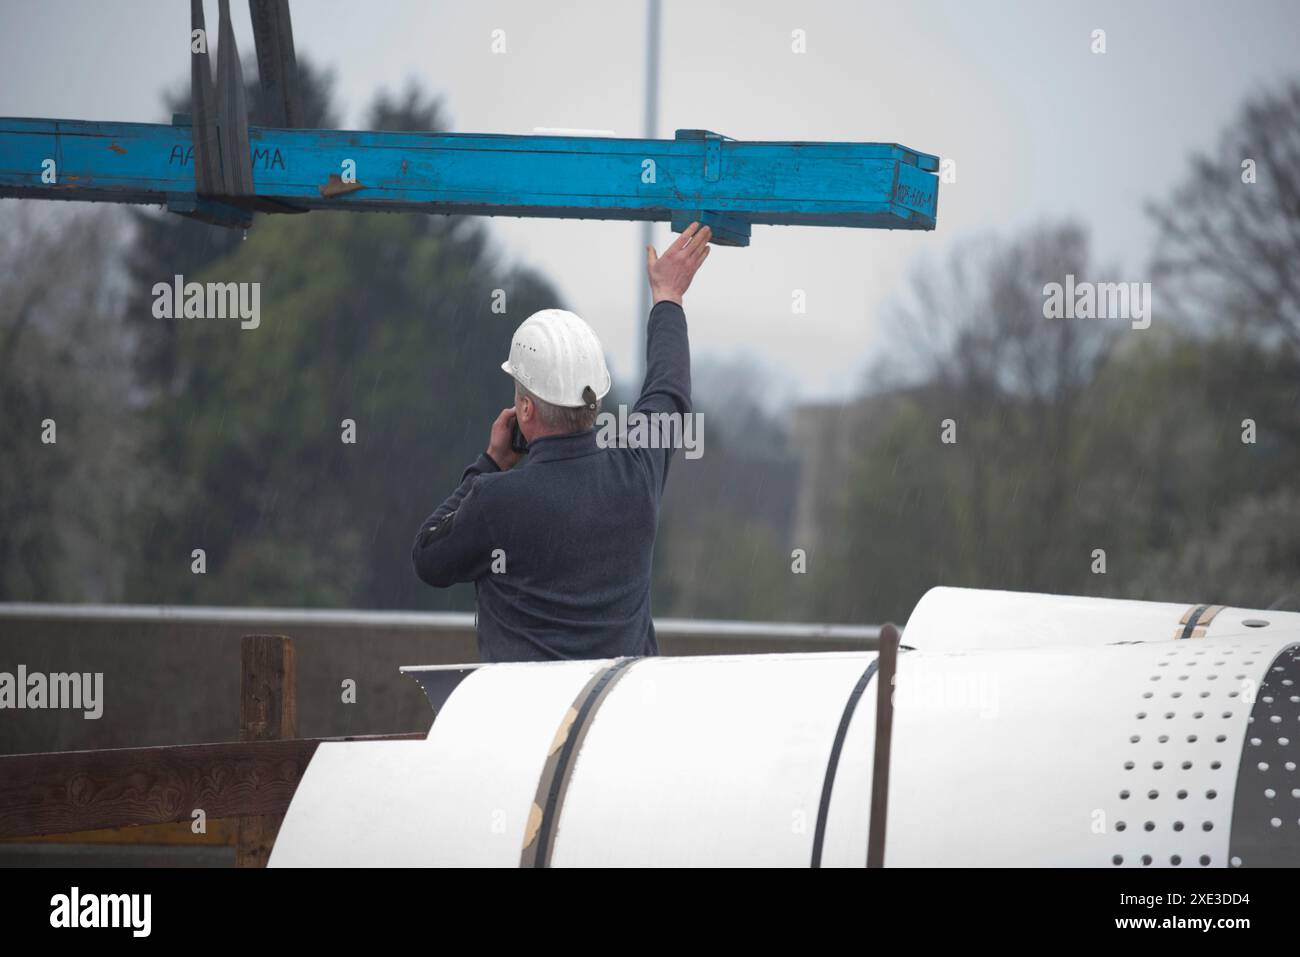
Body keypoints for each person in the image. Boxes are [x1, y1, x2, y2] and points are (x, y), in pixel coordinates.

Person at [412, 223, 713, 661]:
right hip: (615, 717)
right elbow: (669, 393)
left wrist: (489, 462)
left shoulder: (495, 500)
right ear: (594, 402)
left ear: (526, 411)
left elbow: (427, 558)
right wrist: (668, 296)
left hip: (528, 724)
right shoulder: (636, 473)